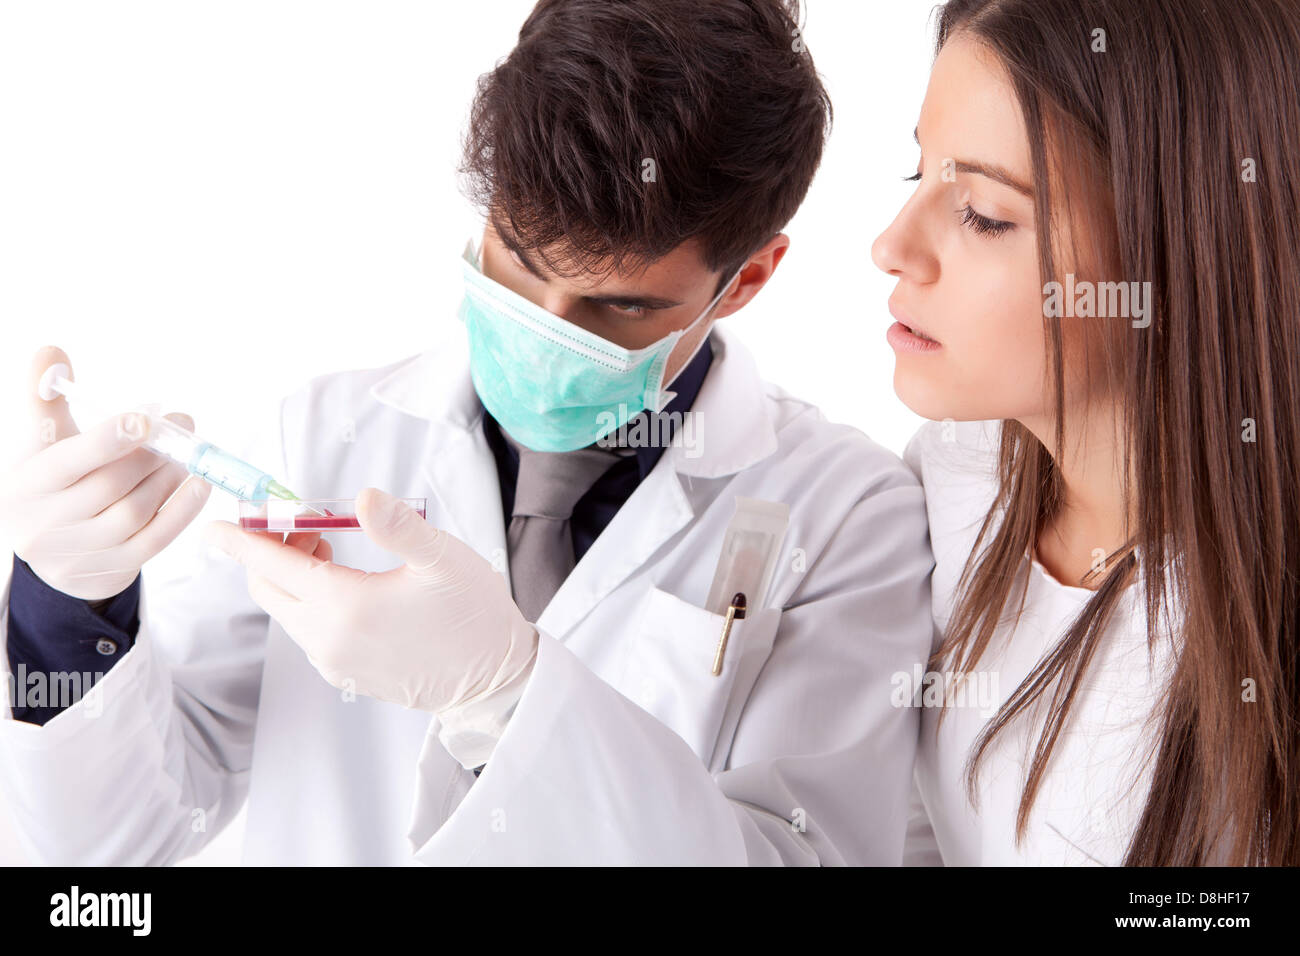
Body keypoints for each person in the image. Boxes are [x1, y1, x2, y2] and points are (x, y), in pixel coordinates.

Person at [0, 0, 933, 865]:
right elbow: (109, 841)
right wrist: (68, 607)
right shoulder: (326, 433)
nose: (550, 327)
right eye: (519, 264)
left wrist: (508, 698)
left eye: (616, 306)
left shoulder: (849, 516)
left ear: (749, 278)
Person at [874, 0, 1300, 865]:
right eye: (917, 174)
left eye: (984, 216)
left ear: (1182, 248)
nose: (891, 247)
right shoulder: (950, 485)